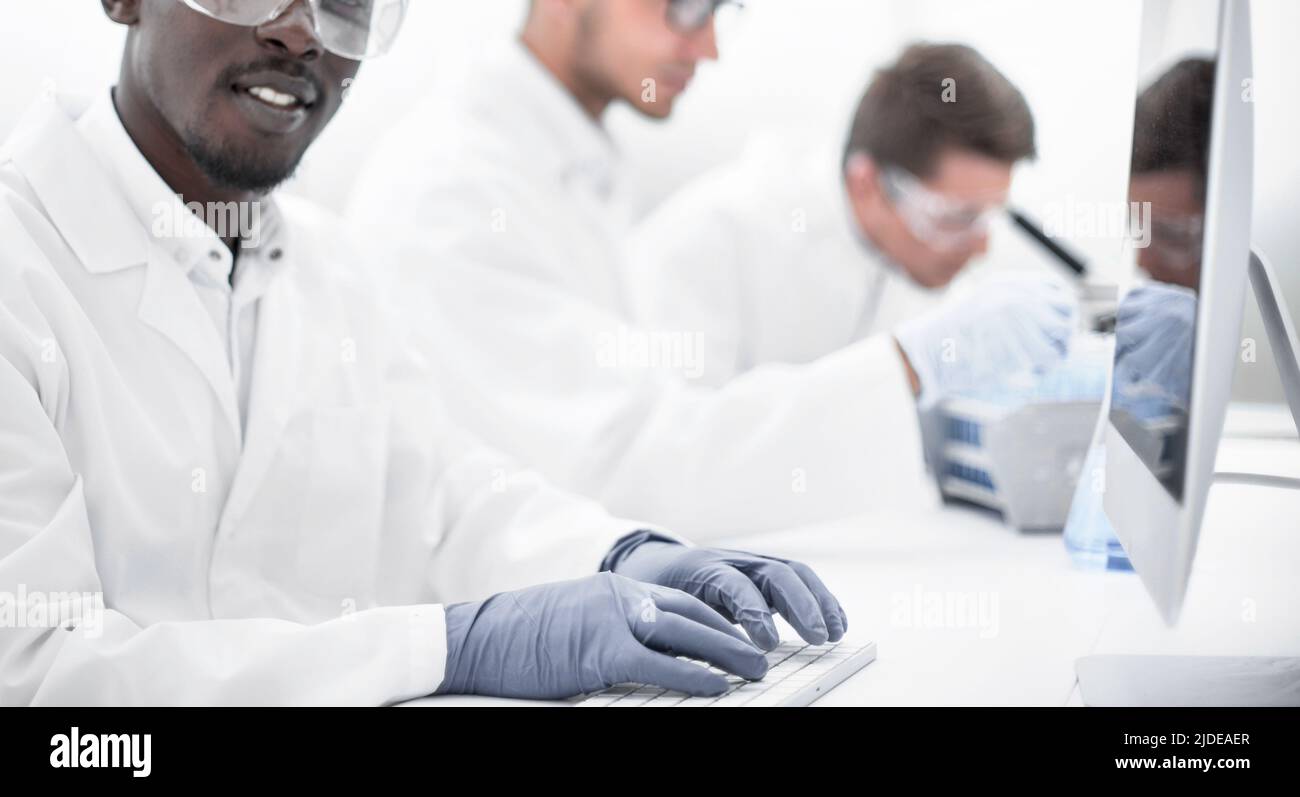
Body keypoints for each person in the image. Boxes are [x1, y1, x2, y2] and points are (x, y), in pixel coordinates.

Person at [0, 0, 848, 706]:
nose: (299, 32)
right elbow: (36, 677)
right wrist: (447, 647)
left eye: (344, 5)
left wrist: (622, 556)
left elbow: (441, 499)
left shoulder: (328, 270)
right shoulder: (18, 264)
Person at [351, 0, 1077, 538]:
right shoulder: (451, 192)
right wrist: (909, 366)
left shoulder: (573, 173)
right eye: (685, 7)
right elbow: (635, 467)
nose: (710, 49)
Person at [625, 43, 1038, 386]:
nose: (981, 247)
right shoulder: (709, 240)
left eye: (990, 217)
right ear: (866, 184)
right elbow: (686, 449)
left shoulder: (921, 261)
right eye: (956, 218)